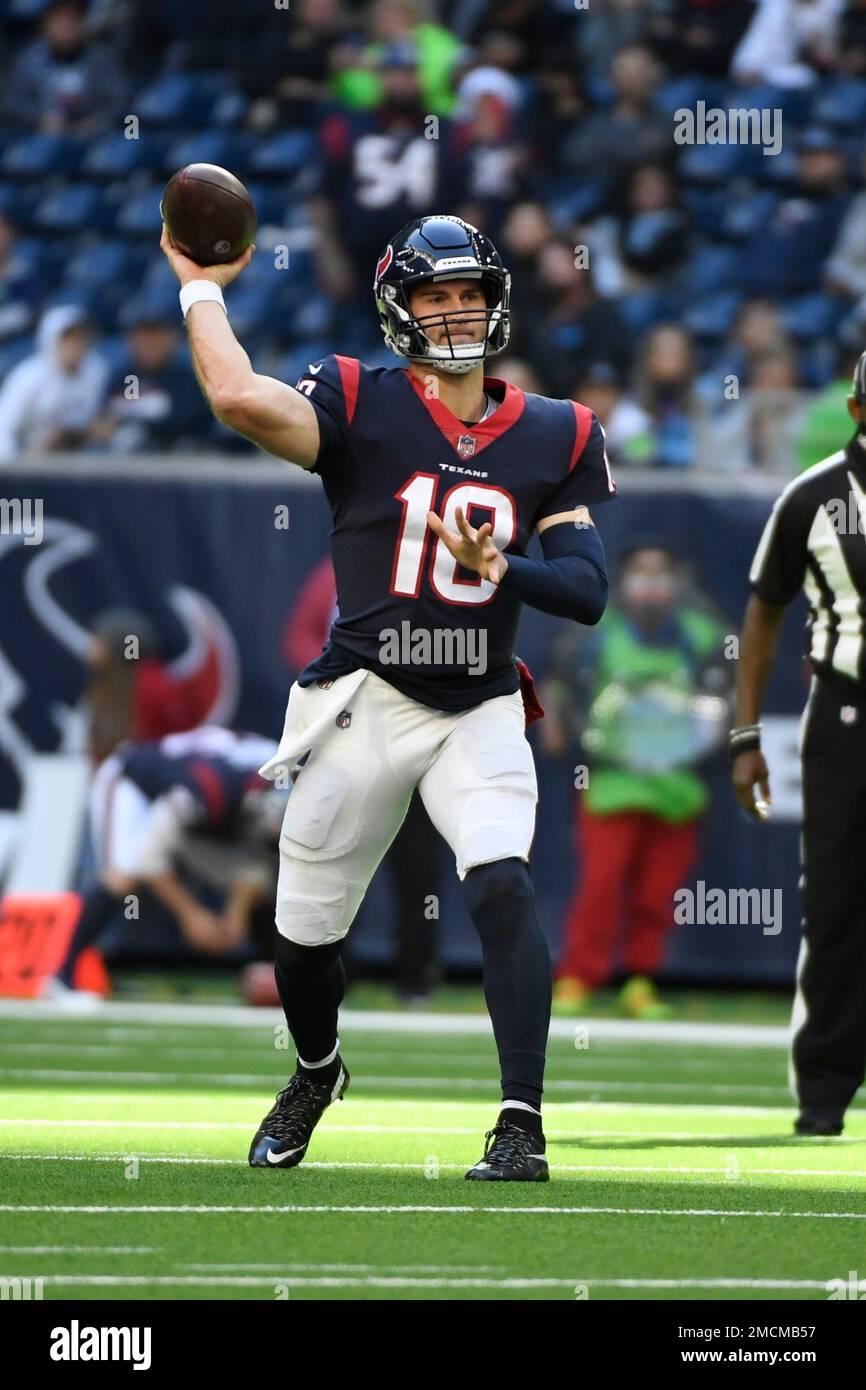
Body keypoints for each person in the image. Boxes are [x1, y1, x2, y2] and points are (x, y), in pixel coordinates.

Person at [160, 211, 616, 1181]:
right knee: (302, 943)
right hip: (362, 698)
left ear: (496, 303)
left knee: (500, 880)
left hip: (480, 701)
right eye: (433, 296)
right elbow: (239, 398)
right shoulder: (359, 397)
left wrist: (504, 568)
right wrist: (201, 284)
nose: (454, 312)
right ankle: (317, 1070)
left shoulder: (557, 429)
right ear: (398, 310)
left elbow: (583, 592)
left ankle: (520, 1124)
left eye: (468, 294)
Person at [733, 346, 866, 1137]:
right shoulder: (812, 497)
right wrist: (746, 733)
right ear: (857, 410)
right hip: (847, 712)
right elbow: (763, 610)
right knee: (839, 901)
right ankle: (824, 1089)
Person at [542, 544, 730, 1019]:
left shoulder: (704, 635)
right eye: (641, 572)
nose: (651, 582)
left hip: (678, 787)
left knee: (658, 893)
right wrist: (557, 725)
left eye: (660, 572)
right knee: (600, 886)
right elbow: (561, 684)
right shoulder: (596, 634)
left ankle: (640, 981)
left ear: (677, 579)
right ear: (624, 579)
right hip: (611, 785)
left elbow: (726, 698)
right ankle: (578, 977)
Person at [44, 726, 282, 1005]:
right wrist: (191, 915)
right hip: (134, 783)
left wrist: (235, 915)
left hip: (205, 809)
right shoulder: (203, 791)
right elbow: (151, 861)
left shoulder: (277, 774)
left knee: (278, 883)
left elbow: (256, 861)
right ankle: (61, 976)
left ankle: (288, 977)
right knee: (124, 876)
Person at [0, 305, 107, 464]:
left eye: (80, 337)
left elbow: (93, 423)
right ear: (51, 339)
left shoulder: (96, 371)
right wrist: (17, 467)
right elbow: (3, 428)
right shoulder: (28, 376)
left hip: (75, 458)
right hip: (24, 459)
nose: (75, 345)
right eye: (68, 339)